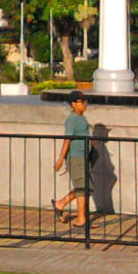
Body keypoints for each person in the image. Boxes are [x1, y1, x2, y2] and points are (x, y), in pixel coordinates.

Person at [52, 88, 93, 228]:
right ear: (74, 104)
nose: (85, 104)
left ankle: (60, 203)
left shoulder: (81, 118)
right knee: (82, 188)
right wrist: (60, 160)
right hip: (76, 158)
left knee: (86, 187)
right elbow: (67, 140)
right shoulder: (72, 120)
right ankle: (81, 220)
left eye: (85, 101)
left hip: (83, 156)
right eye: (81, 102)